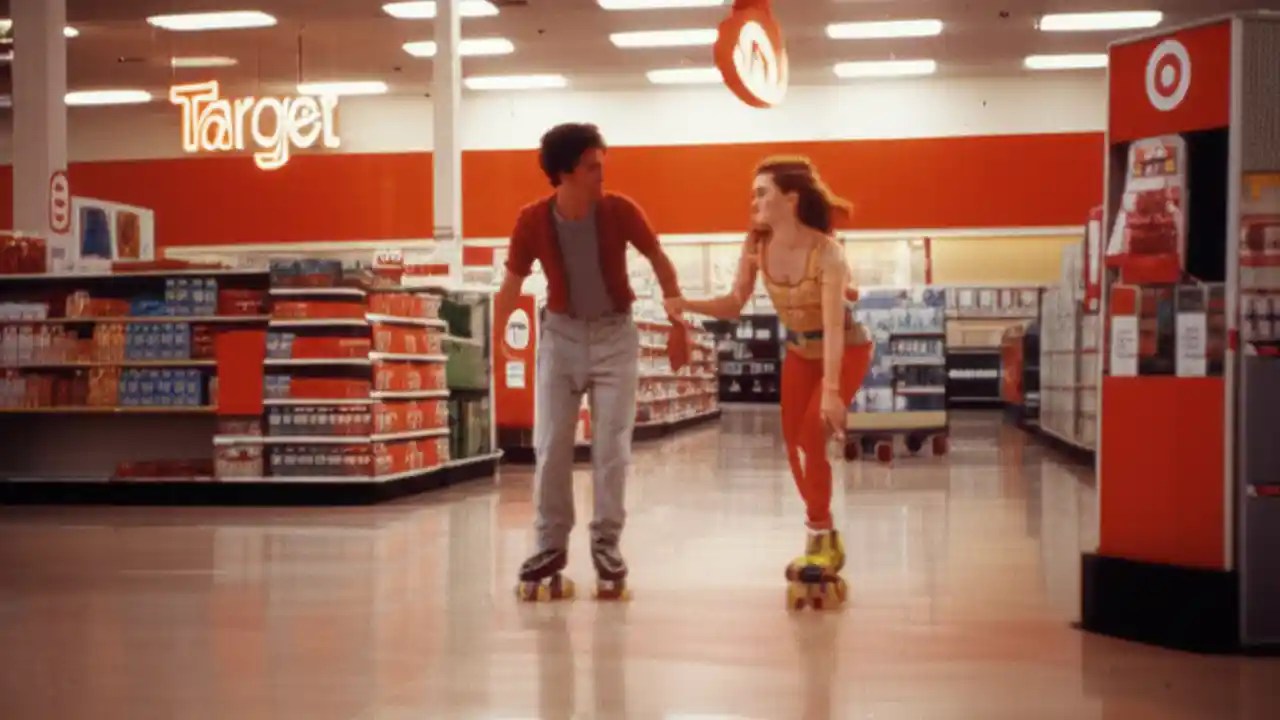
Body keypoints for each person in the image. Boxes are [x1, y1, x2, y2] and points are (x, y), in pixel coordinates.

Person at [665, 156, 872, 609]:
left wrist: (832, 393)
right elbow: (733, 303)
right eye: (753, 194)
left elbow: (834, 326)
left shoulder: (828, 253)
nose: (754, 201)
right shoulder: (757, 244)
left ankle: (820, 535)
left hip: (845, 350)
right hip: (798, 352)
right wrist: (687, 304)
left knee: (812, 433)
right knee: (794, 443)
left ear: (791, 199)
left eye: (763, 193)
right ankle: (822, 533)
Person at [495, 123, 685, 602]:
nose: (602, 174)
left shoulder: (619, 210)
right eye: (591, 167)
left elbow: (659, 259)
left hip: (615, 337)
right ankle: (549, 545)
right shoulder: (532, 221)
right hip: (560, 337)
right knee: (551, 444)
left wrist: (677, 320)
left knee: (611, 447)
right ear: (564, 173)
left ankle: (606, 545)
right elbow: (511, 286)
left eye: (601, 165)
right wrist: (495, 344)